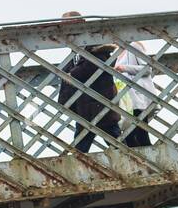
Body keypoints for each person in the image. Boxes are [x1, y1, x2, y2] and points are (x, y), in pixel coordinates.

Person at [58, 12, 119, 153]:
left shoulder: (93, 44)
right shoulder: (76, 50)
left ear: (81, 23)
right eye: (63, 26)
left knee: (111, 136)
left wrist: (71, 75)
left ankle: (131, 159)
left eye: (68, 25)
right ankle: (78, 166)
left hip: (99, 102)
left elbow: (95, 65)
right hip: (85, 106)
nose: (66, 30)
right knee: (85, 141)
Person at [114, 41, 158, 148]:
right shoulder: (116, 52)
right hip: (126, 99)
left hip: (138, 98)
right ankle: (141, 161)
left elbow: (147, 69)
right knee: (129, 135)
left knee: (140, 134)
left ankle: (149, 160)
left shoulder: (133, 46)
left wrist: (124, 68)